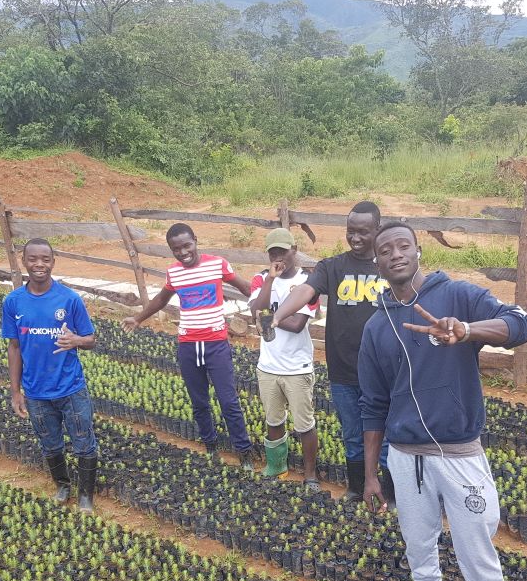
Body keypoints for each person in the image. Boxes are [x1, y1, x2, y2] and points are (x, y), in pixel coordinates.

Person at [358, 221, 527, 581]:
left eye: (404, 245)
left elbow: (521, 324)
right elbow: (373, 405)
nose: (395, 254)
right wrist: (371, 475)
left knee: (475, 548)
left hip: (458, 454)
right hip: (405, 457)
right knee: (418, 542)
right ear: (376, 262)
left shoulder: (456, 296)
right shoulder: (377, 327)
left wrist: (469, 329)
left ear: (419, 251)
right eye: (385, 250)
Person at [271, 201, 395, 505]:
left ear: (377, 231)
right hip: (343, 370)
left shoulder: (388, 267)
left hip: (384, 372)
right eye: (350, 231)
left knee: (387, 438)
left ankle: (389, 495)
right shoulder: (333, 267)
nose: (355, 238)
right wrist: (278, 315)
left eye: (363, 232)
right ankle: (356, 489)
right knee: (353, 434)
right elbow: (305, 291)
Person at [122, 223, 257, 468]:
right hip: (188, 345)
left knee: (228, 400)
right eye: (176, 249)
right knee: (199, 401)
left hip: (216, 344)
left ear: (195, 240)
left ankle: (243, 450)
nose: (183, 252)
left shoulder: (217, 264)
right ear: (171, 250)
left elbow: (246, 288)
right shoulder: (174, 273)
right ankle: (211, 445)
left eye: (187, 245)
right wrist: (138, 318)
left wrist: (268, 303)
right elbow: (161, 300)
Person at [2, 238, 99, 513]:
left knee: (83, 441)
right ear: (24, 261)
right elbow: (14, 347)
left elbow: (91, 339)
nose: (39, 265)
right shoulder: (13, 302)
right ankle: (63, 486)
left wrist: (76, 341)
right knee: (50, 443)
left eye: (45, 259)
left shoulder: (69, 299)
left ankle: (85, 496)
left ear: (53, 262)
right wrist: (15, 391)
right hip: (36, 392)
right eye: (33, 259)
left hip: (71, 388)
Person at [249, 227, 320, 489]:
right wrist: (270, 280)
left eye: (283, 250)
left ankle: (310, 474)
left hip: (297, 367)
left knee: (305, 425)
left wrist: (268, 319)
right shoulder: (260, 280)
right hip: (268, 366)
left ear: (295, 250)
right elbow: (256, 311)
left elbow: (298, 324)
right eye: (273, 252)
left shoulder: (309, 281)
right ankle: (277, 467)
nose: (279, 256)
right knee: (273, 421)